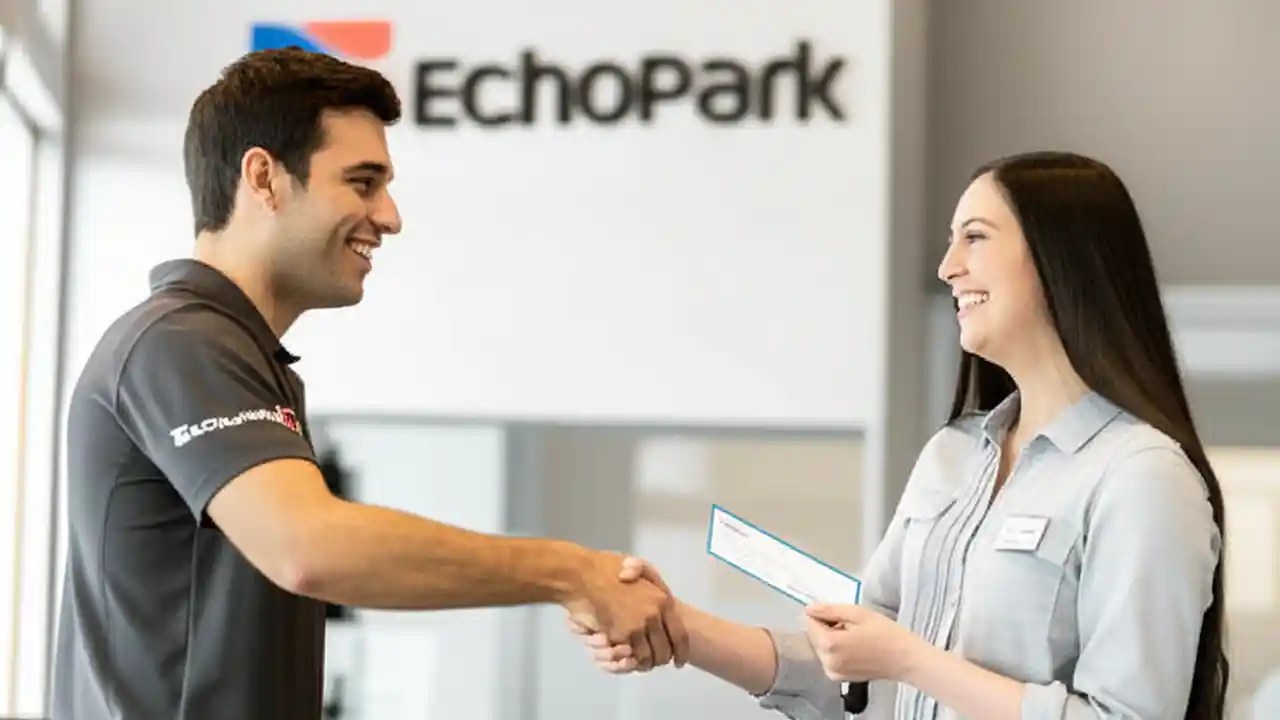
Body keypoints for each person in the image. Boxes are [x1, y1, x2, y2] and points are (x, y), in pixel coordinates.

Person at [51, 47, 686, 720]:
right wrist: (570, 572)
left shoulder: (238, 356)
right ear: (263, 177)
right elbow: (308, 547)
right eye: (362, 182)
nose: (389, 216)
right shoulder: (182, 343)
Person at [570, 151, 1229, 720]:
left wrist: (913, 661)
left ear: (1062, 258)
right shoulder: (952, 455)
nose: (947, 267)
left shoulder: (1142, 478)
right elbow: (856, 669)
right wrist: (675, 626)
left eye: (974, 236)